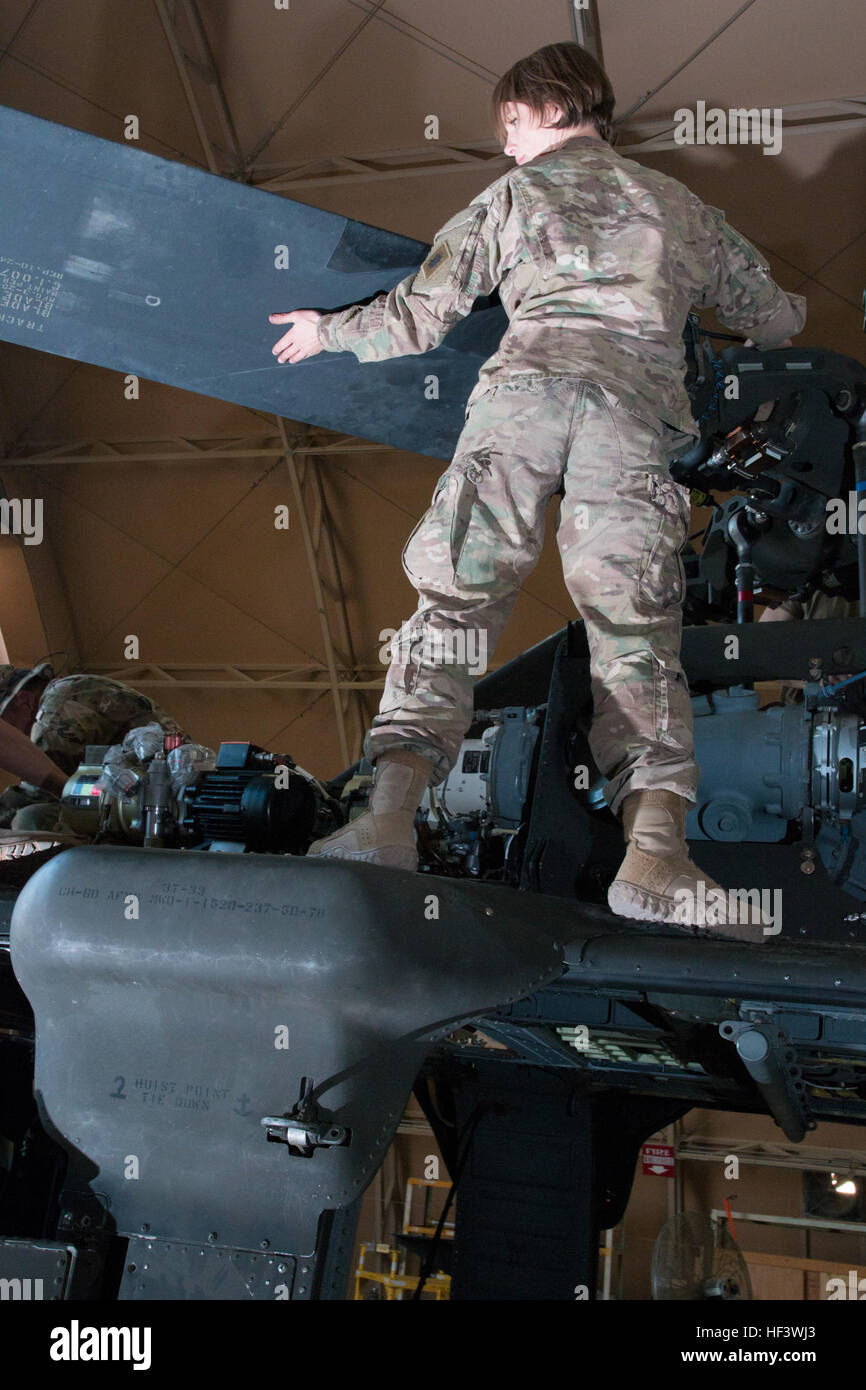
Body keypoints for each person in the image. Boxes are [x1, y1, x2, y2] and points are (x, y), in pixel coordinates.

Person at [269, 42, 805, 942]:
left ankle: (388, 820)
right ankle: (657, 857)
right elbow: (777, 316)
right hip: (631, 420)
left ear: (527, 114)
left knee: (453, 601)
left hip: (520, 405)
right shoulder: (677, 204)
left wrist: (328, 334)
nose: (506, 148)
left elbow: (422, 313)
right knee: (634, 629)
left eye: (506, 131)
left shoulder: (514, 194)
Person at [0, 661, 187, 832]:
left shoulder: (61, 699)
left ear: (23, 700)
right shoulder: (71, 690)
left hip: (158, 799)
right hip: (150, 796)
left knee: (32, 819)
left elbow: (38, 788)